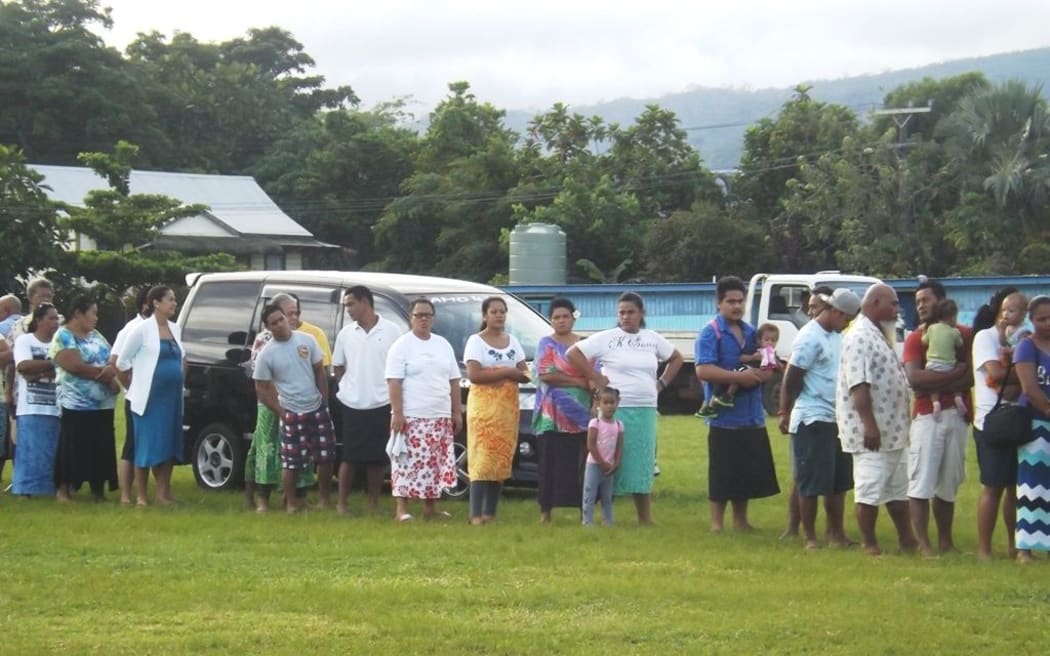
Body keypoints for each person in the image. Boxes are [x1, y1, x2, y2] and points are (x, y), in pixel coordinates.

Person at [569, 291, 683, 525]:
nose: (626, 317)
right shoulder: (607, 338)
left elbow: (677, 358)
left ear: (641, 314)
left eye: (631, 312)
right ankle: (600, 515)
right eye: (621, 312)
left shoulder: (652, 338)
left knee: (642, 461)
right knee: (605, 458)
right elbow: (574, 353)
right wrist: (595, 378)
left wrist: (661, 383)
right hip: (614, 409)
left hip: (645, 408)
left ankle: (645, 518)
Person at [837, 284, 918, 556]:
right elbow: (858, 384)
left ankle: (907, 539)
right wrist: (869, 425)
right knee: (869, 488)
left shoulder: (879, 334)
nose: (897, 310)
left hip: (893, 429)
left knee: (898, 489)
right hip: (873, 431)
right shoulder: (859, 335)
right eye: (892, 304)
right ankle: (869, 543)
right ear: (873, 303)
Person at [694, 277, 780, 532]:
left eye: (740, 301)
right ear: (719, 303)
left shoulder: (753, 332)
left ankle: (741, 521)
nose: (736, 306)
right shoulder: (711, 332)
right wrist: (738, 377)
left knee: (745, 471)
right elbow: (703, 370)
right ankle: (717, 524)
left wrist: (764, 373)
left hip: (751, 414)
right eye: (730, 301)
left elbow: (767, 362)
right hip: (724, 416)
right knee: (722, 471)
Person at [777, 288, 860, 549]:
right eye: (846, 318)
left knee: (837, 482)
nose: (847, 324)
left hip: (838, 417)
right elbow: (791, 378)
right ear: (835, 312)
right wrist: (784, 412)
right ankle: (810, 536)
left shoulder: (837, 335)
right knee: (811, 481)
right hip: (813, 417)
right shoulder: (809, 337)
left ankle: (836, 534)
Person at [902, 279, 973, 557]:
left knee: (949, 482)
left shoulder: (964, 334)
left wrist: (935, 382)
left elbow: (970, 376)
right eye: (918, 301)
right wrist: (953, 377)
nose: (920, 306)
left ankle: (946, 541)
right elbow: (914, 378)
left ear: (941, 301)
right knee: (921, 480)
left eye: (926, 300)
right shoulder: (914, 338)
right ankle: (924, 544)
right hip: (926, 417)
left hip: (957, 414)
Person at [252, 303, 335, 513]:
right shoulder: (267, 354)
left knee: (325, 455)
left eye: (281, 319)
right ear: (268, 328)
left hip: (316, 407)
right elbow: (261, 388)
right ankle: (291, 503)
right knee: (291, 460)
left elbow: (319, 371)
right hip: (291, 410)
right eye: (274, 323)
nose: (280, 325)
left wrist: (323, 401)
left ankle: (324, 500)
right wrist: (280, 411)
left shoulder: (307, 340)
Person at [385, 298, 462, 521]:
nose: (424, 319)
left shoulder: (442, 344)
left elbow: (454, 380)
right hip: (411, 415)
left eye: (428, 315)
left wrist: (456, 412)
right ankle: (402, 509)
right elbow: (394, 381)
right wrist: (397, 413)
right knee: (405, 462)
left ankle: (431, 508)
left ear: (433, 318)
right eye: (419, 315)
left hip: (439, 414)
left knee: (434, 463)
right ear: (411, 318)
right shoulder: (402, 345)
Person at [332, 285, 403, 515]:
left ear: (365, 302)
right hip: (353, 403)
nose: (349, 310)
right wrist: (348, 387)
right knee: (349, 456)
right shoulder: (346, 333)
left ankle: (373, 503)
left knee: (376, 458)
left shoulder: (392, 331)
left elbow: (399, 368)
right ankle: (342, 503)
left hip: (381, 402)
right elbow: (338, 366)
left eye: (351, 304)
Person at [243, 293, 315, 512]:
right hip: (270, 404)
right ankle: (262, 499)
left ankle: (293, 498)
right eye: (289, 313)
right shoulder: (264, 341)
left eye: (296, 313)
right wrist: (279, 406)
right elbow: (262, 379)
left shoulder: (301, 338)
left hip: (298, 404)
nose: (293, 317)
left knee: (299, 451)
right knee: (267, 448)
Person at [116, 286, 185, 506]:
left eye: (175, 300)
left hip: (171, 398)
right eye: (170, 299)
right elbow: (122, 361)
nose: (174, 303)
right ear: (156, 302)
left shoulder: (175, 329)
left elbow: (181, 357)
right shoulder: (141, 329)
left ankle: (163, 493)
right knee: (145, 446)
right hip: (148, 399)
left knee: (167, 444)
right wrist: (133, 383)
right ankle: (141, 496)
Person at [464, 296, 530, 525]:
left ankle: (490, 513)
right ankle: (475, 514)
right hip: (484, 410)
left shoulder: (512, 341)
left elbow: (523, 370)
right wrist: (505, 372)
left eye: (502, 311)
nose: (499, 315)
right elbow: (474, 375)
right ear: (485, 315)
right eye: (494, 311)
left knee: (500, 460)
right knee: (482, 460)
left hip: (507, 409)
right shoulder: (476, 341)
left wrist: (518, 375)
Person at [971, 289, 1027, 560]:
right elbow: (995, 372)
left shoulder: (1024, 339)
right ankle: (984, 549)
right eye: (1006, 310)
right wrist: (1026, 371)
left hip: (1017, 417)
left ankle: (1015, 546)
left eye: (1015, 310)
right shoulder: (985, 337)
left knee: (1015, 487)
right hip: (991, 421)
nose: (1009, 315)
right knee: (992, 486)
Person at [52, 297, 120, 502]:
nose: (96, 318)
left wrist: (110, 372)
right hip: (76, 403)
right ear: (78, 314)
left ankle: (98, 490)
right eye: (93, 313)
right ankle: (63, 490)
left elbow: (111, 359)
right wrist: (104, 376)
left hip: (102, 404)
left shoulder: (97, 335)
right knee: (72, 445)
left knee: (100, 445)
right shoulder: (63, 335)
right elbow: (74, 365)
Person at [533, 298, 593, 523]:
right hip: (552, 414)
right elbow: (546, 374)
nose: (561, 321)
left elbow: (593, 374)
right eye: (556, 317)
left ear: (573, 318)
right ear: (551, 320)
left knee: (580, 463)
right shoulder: (546, 343)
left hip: (581, 416)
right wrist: (577, 381)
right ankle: (545, 512)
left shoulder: (585, 345)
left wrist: (581, 381)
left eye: (565, 316)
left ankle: (583, 511)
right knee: (549, 462)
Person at [1013, 295, 1050, 563]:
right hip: (1036, 423)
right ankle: (1025, 547)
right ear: (1031, 320)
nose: (1047, 324)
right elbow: (1029, 388)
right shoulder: (1027, 346)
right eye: (1041, 319)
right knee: (1032, 485)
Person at [10, 303, 60, 497]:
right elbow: (23, 366)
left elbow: (67, 367)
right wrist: (54, 363)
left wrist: (38, 371)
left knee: (51, 451)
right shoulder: (25, 341)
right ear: (39, 320)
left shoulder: (60, 342)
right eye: (51, 318)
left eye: (57, 318)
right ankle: (26, 490)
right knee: (30, 453)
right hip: (31, 407)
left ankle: (50, 488)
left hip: (56, 406)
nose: (56, 322)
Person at [108, 286, 151, 505]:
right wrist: (131, 387)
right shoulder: (132, 328)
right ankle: (126, 494)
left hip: (156, 397)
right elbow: (115, 361)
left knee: (148, 444)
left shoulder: (162, 328)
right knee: (132, 445)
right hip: (136, 396)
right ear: (147, 304)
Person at [696, 323, 778, 418]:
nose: (770, 343)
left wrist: (771, 365)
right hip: (744, 369)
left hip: (752, 375)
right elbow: (741, 358)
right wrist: (754, 357)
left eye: (773, 341)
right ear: (759, 341)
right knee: (724, 382)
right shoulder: (757, 351)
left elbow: (771, 368)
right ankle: (710, 406)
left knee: (738, 377)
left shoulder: (771, 353)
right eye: (766, 340)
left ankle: (728, 395)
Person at [918, 298, 968, 418]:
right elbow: (959, 344)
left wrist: (924, 331)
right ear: (952, 317)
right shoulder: (954, 331)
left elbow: (924, 342)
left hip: (932, 364)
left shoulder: (931, 328)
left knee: (933, 388)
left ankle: (935, 403)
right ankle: (958, 397)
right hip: (949, 365)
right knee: (957, 381)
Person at [582, 387, 623, 527]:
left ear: (617, 403)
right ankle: (587, 521)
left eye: (612, 402)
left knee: (607, 496)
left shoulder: (619, 425)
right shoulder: (595, 423)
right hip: (594, 465)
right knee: (590, 493)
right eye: (606, 402)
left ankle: (608, 520)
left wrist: (615, 463)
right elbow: (591, 446)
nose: (609, 406)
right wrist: (602, 462)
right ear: (599, 404)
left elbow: (619, 446)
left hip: (609, 467)